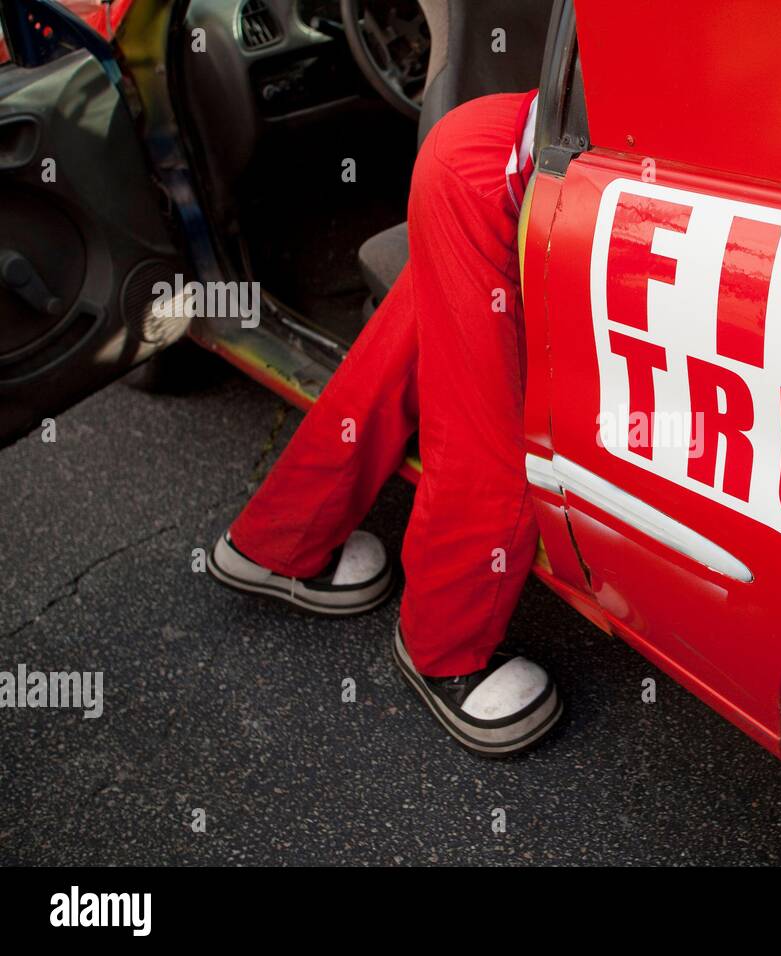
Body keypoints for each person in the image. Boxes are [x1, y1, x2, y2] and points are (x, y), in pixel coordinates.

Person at [207, 90, 561, 756]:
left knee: (401, 351)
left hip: (485, 152)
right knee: (494, 432)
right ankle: (442, 650)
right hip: (505, 182)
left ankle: (276, 540)